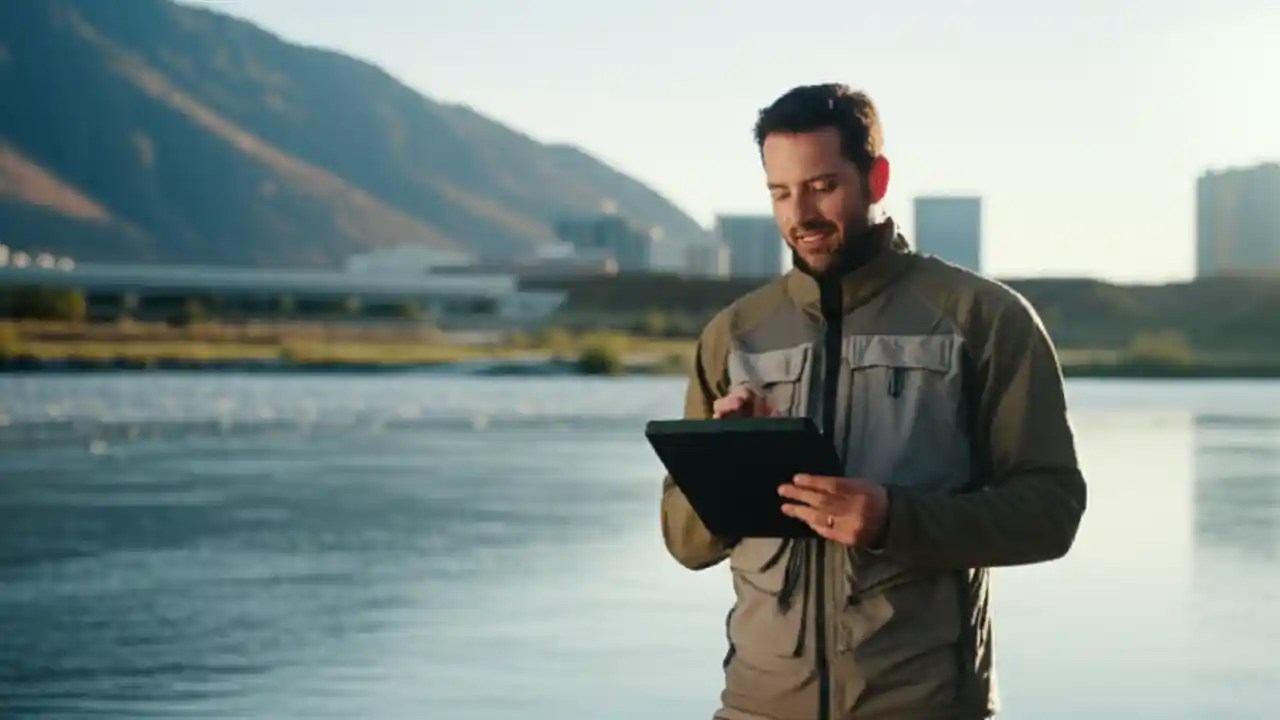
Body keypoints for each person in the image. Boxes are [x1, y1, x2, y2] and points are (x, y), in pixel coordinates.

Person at [659, 83, 1087, 720]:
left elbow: (1052, 513)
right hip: (754, 707)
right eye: (781, 192)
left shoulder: (984, 319)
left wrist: (894, 521)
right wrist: (729, 464)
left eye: (822, 186)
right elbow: (683, 542)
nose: (800, 213)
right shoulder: (733, 335)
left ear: (876, 178)